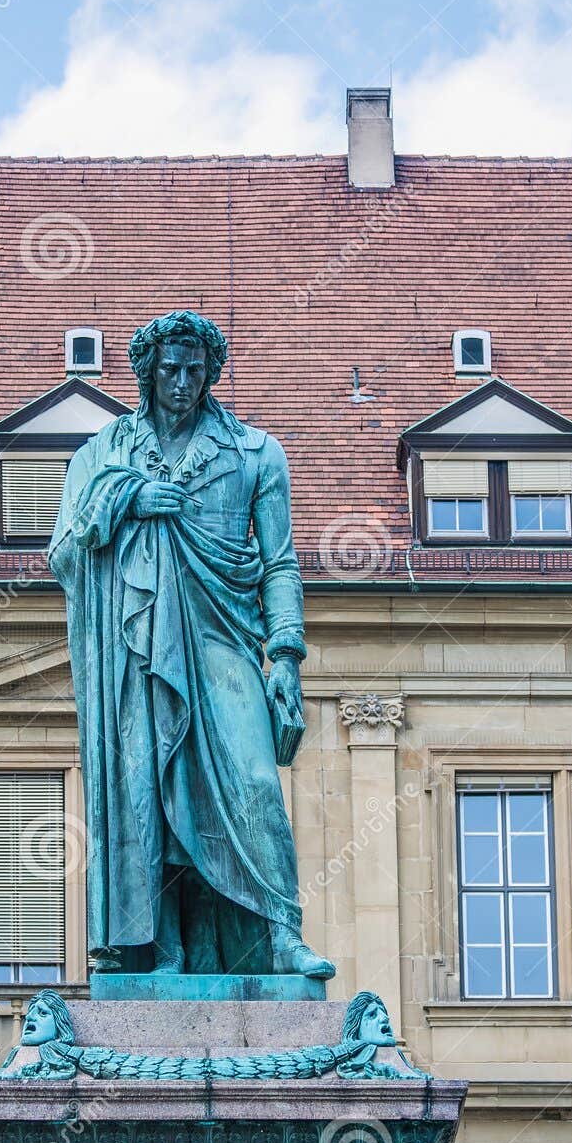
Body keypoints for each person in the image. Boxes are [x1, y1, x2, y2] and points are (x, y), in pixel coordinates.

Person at [49, 310, 333, 979]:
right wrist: (127, 503)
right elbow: (63, 552)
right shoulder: (102, 457)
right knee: (146, 792)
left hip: (224, 637)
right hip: (137, 651)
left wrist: (286, 656)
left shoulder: (255, 453)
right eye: (170, 370)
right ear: (147, 373)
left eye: (195, 371)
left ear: (211, 375)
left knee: (255, 782)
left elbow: (279, 565)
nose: (182, 383)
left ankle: (280, 934)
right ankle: (159, 946)